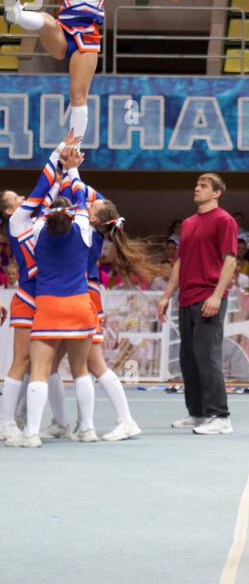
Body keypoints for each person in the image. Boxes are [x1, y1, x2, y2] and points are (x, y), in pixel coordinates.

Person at [4, 0, 180, 142]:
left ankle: (73, 147)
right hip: (63, 32)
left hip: (87, 37)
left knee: (78, 95)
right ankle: (17, 14)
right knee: (46, 21)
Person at [59, 155, 161, 441]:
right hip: (84, 293)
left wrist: (70, 160)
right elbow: (85, 191)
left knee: (94, 364)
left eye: (93, 206)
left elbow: (78, 188)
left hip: (85, 294)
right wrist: (72, 165)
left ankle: (125, 420)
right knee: (77, 365)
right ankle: (81, 422)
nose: (90, 203)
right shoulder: (95, 224)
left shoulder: (85, 224)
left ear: (94, 217)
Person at [0, 134, 76, 444]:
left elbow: (50, 196)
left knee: (40, 364)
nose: (21, 200)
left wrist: (65, 172)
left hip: (45, 298)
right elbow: (41, 189)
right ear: (8, 210)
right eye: (15, 198)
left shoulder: (36, 219)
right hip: (28, 297)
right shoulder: (18, 221)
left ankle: (27, 418)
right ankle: (6, 423)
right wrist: (59, 150)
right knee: (20, 361)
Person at [156, 174, 237, 435]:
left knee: (207, 357)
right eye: (197, 185)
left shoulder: (225, 220)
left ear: (216, 193)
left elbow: (230, 260)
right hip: (186, 298)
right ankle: (198, 413)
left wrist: (216, 295)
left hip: (209, 297)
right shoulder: (188, 224)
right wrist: (167, 295)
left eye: (203, 186)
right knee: (188, 359)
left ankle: (221, 416)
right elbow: (180, 263)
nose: (197, 188)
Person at [18, 192, 97, 448]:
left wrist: (53, 184)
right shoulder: (83, 230)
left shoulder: (38, 230)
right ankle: (87, 428)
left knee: (40, 371)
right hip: (79, 305)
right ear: (71, 216)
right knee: (81, 370)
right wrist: (71, 169)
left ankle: (31, 433)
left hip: (49, 306)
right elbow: (83, 201)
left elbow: (39, 208)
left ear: (48, 215)